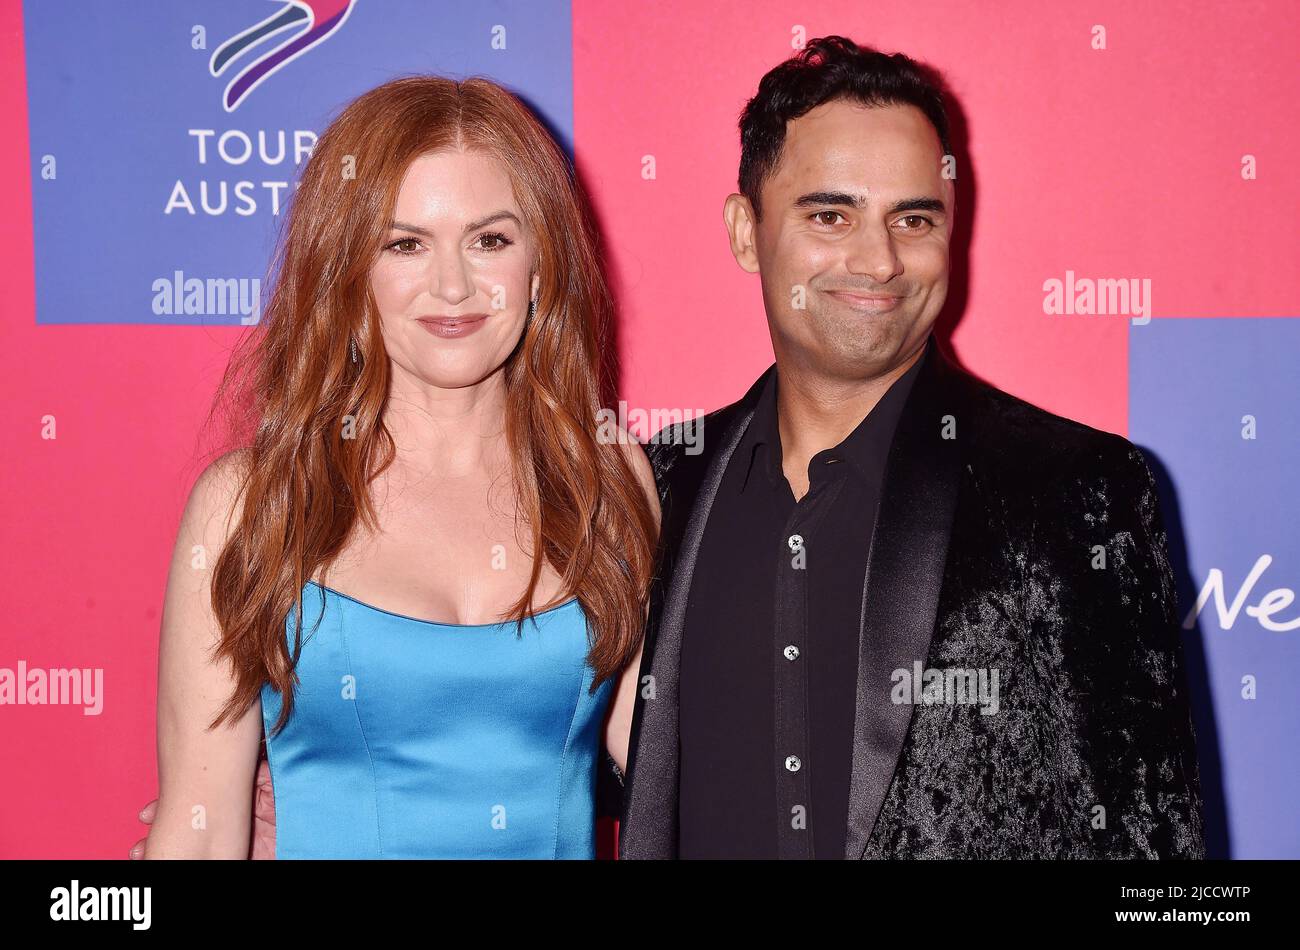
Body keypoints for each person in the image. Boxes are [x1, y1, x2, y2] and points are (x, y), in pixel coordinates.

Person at [620, 37, 1206, 859]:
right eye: (831, 215)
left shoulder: (1081, 491)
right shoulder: (656, 485)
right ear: (746, 232)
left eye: (914, 218)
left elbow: (1157, 847)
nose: (879, 260)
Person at [134, 75, 658, 859]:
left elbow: (660, 773)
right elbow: (199, 837)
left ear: (540, 265)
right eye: (404, 244)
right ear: (348, 271)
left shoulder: (606, 480)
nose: (453, 285)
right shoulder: (253, 503)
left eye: (490, 240)